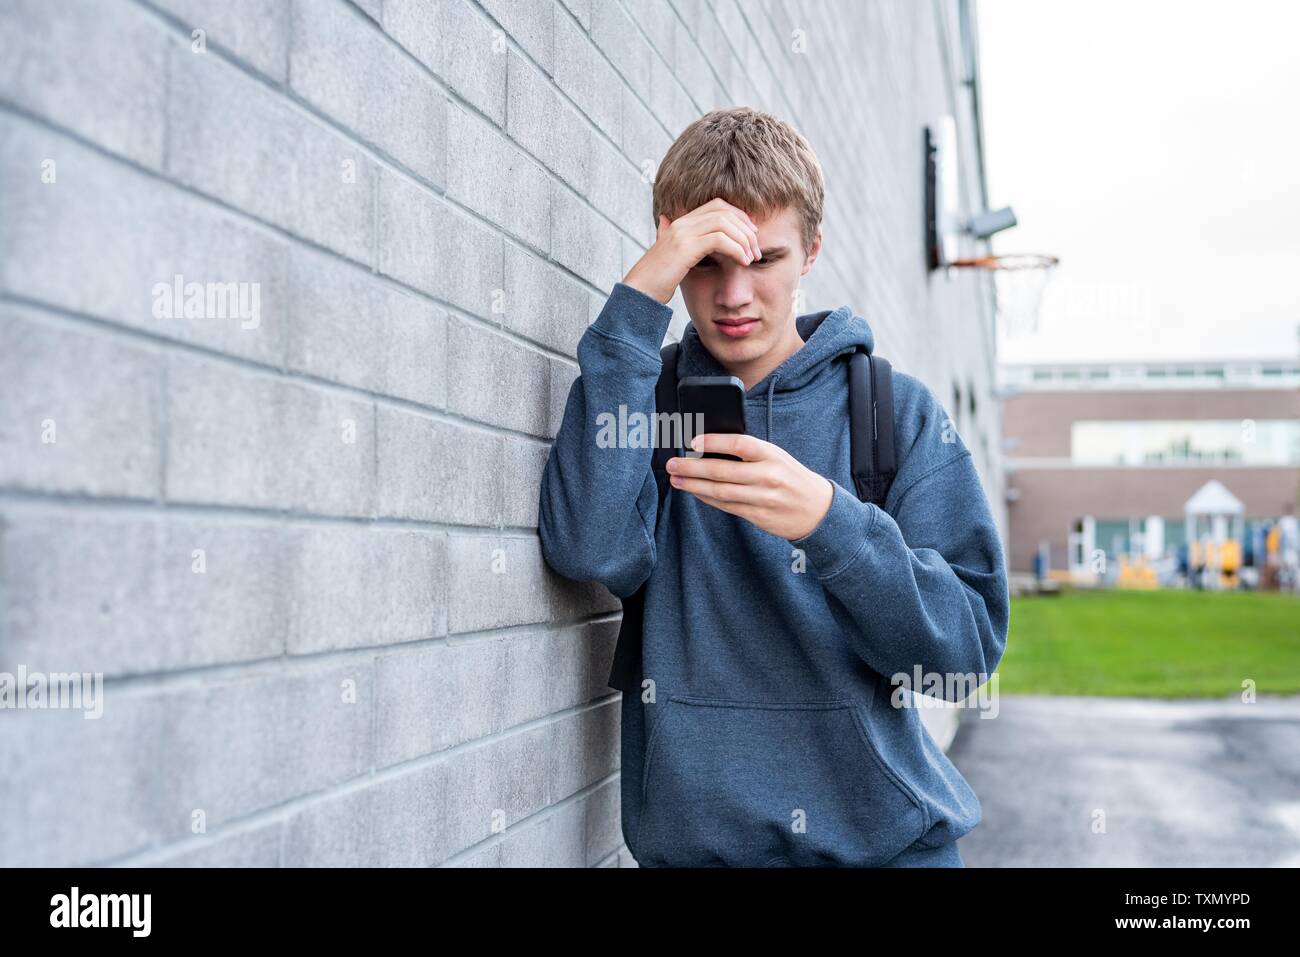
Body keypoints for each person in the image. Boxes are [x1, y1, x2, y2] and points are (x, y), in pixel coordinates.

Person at [538, 107, 1009, 868]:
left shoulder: (893, 412)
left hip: (887, 855)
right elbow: (587, 548)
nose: (734, 295)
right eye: (706, 262)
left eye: (764, 259)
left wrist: (832, 525)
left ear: (812, 251)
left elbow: (963, 656)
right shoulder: (644, 400)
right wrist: (636, 305)